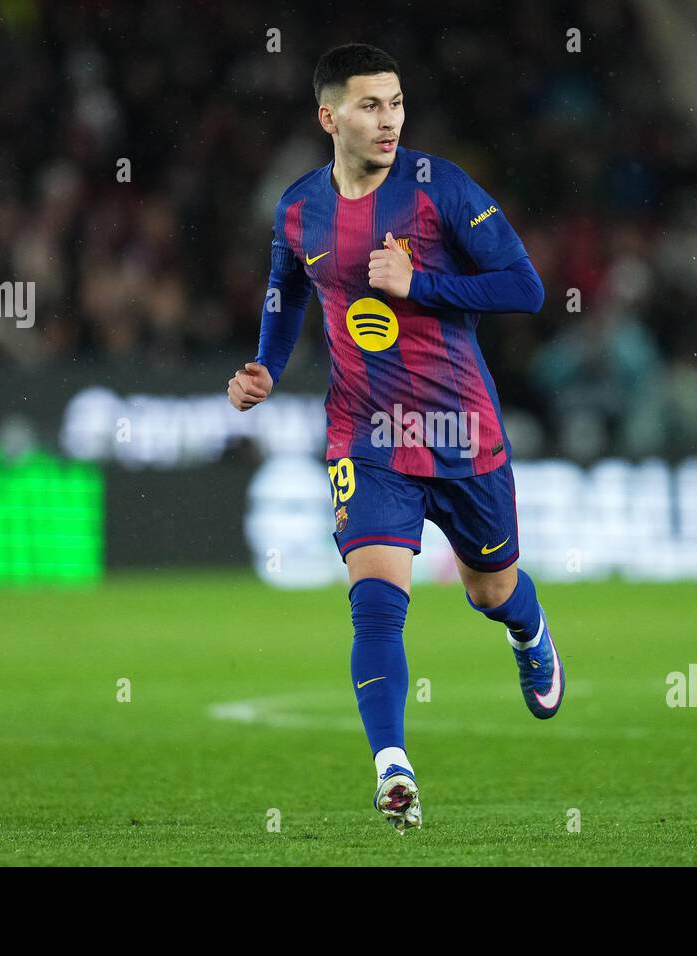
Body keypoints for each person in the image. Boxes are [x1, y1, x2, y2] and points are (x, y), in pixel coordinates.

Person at [228, 43, 563, 832]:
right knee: (376, 604)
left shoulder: (439, 188)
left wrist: (424, 285)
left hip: (459, 428)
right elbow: (285, 299)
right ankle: (393, 767)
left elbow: (526, 286)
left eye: (397, 103)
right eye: (371, 105)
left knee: (490, 588)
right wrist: (266, 368)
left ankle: (531, 632)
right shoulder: (299, 208)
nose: (389, 121)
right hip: (365, 433)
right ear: (329, 116)